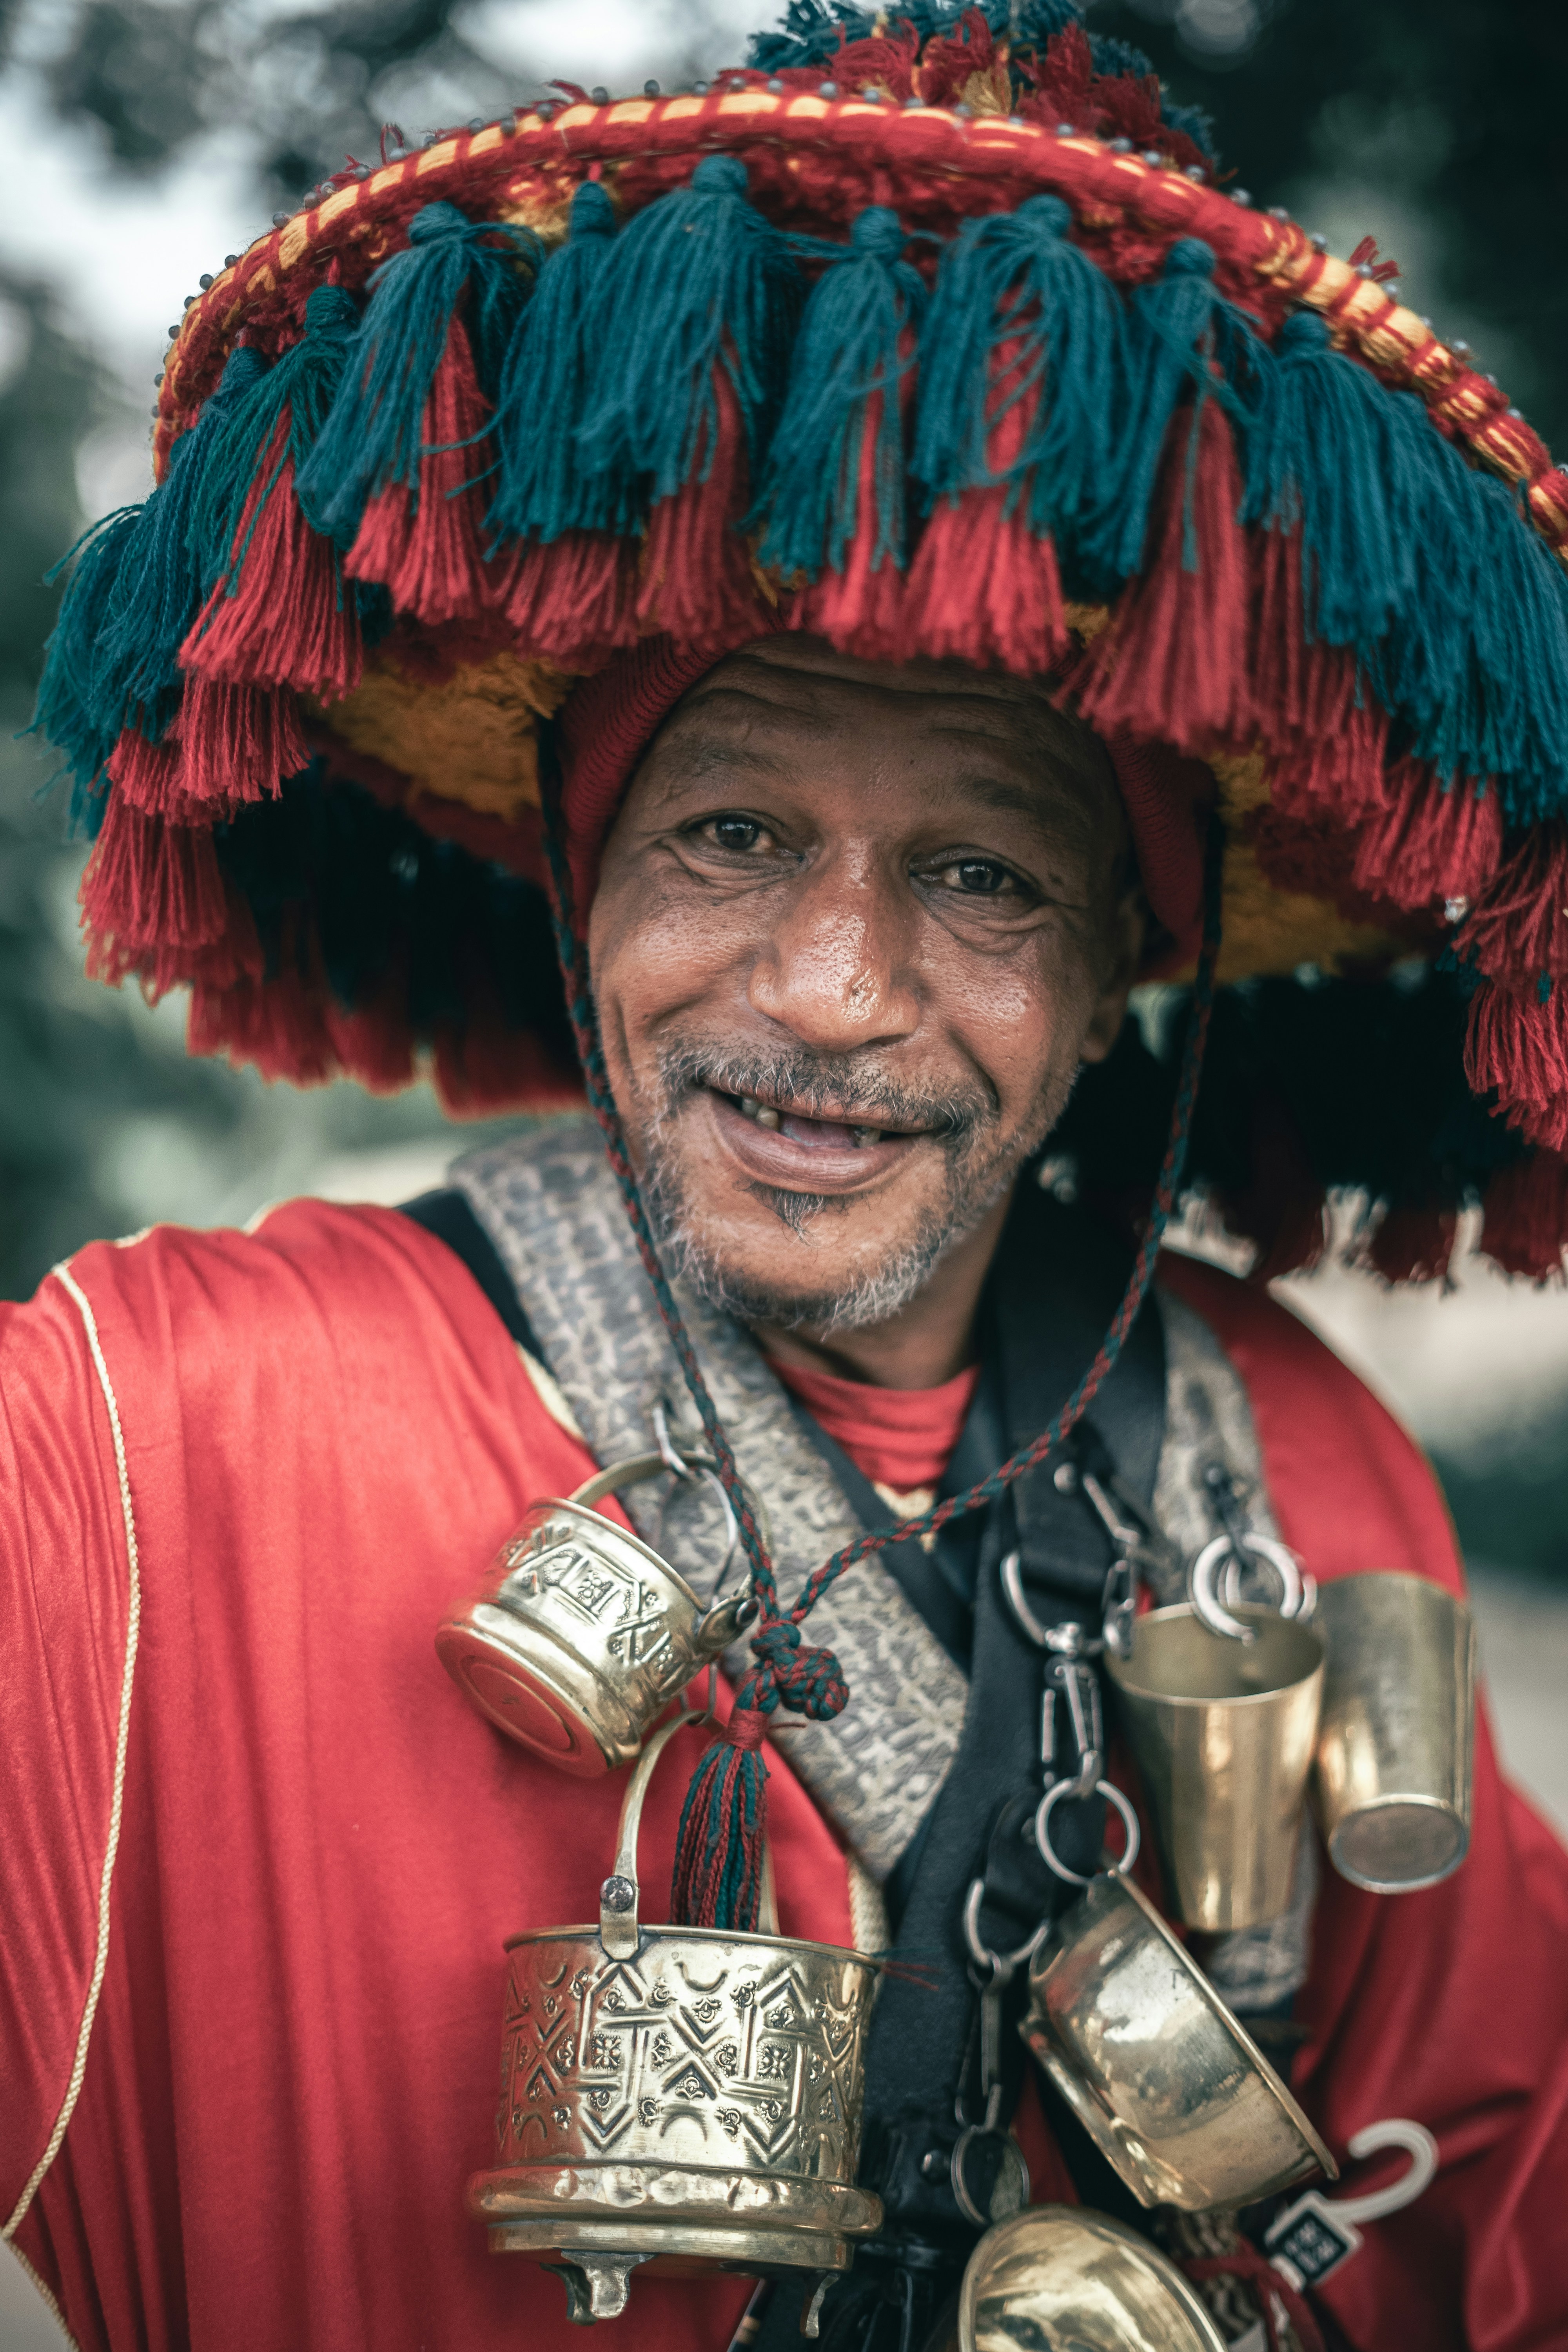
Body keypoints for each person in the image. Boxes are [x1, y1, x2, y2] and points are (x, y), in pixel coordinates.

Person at [6, 7, 1568, 2348]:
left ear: (1129, 970)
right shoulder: (143, 1445)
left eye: (983, 880)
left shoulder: (1306, 1466)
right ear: (580, 886)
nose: (834, 992)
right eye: (731, 832)